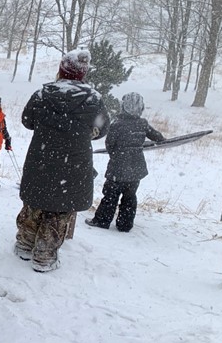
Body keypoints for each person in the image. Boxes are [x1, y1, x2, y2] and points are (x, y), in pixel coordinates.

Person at [16, 48, 109, 272]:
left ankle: (24, 244)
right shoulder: (93, 99)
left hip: (41, 159)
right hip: (73, 164)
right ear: (83, 72)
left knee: (34, 204)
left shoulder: (42, 94)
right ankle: (45, 257)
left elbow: (27, 120)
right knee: (59, 211)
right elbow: (103, 128)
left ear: (62, 69)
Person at [85, 92, 165, 232]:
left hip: (118, 167)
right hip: (136, 168)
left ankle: (102, 220)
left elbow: (110, 144)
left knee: (110, 195)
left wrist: (116, 155)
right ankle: (125, 224)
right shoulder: (142, 124)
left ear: (123, 106)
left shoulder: (117, 124)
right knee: (130, 196)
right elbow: (158, 137)